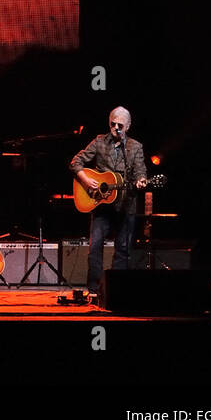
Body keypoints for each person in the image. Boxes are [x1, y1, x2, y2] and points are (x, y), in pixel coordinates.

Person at [69, 106, 150, 299]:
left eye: (120, 125)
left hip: (125, 204)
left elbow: (140, 172)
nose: (115, 127)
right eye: (112, 124)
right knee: (95, 247)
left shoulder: (135, 147)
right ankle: (94, 290)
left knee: (123, 248)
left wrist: (141, 181)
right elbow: (75, 162)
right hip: (101, 205)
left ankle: (116, 291)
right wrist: (86, 180)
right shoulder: (99, 142)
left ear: (128, 126)